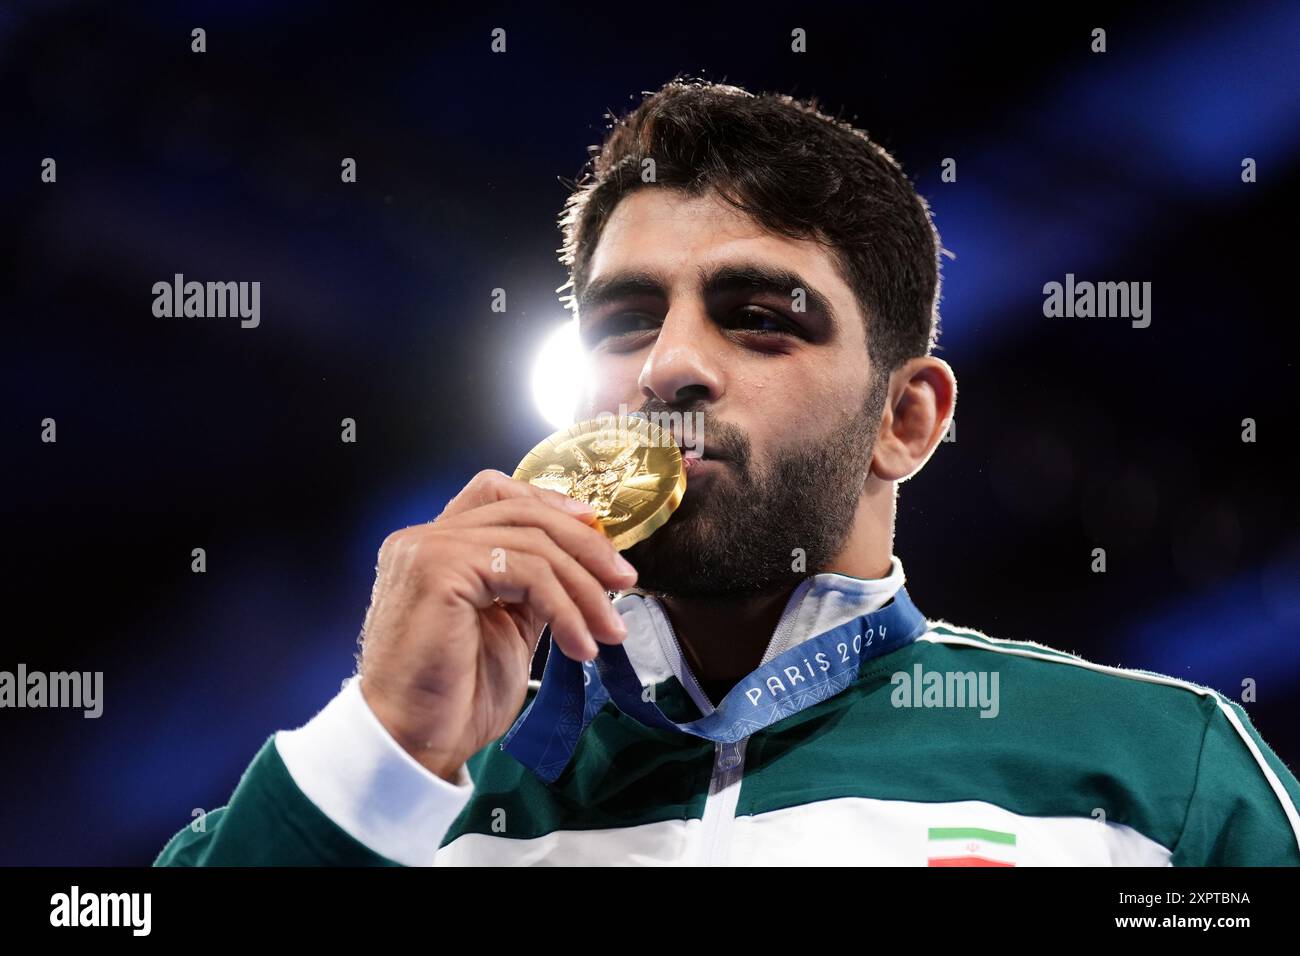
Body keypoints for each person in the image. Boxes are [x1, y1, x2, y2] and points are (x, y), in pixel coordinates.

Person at [156, 78, 1300, 866]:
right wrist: (384, 745)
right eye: (625, 319)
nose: (669, 366)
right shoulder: (415, 790)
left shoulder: (1157, 775)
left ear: (906, 417)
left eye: (759, 319)